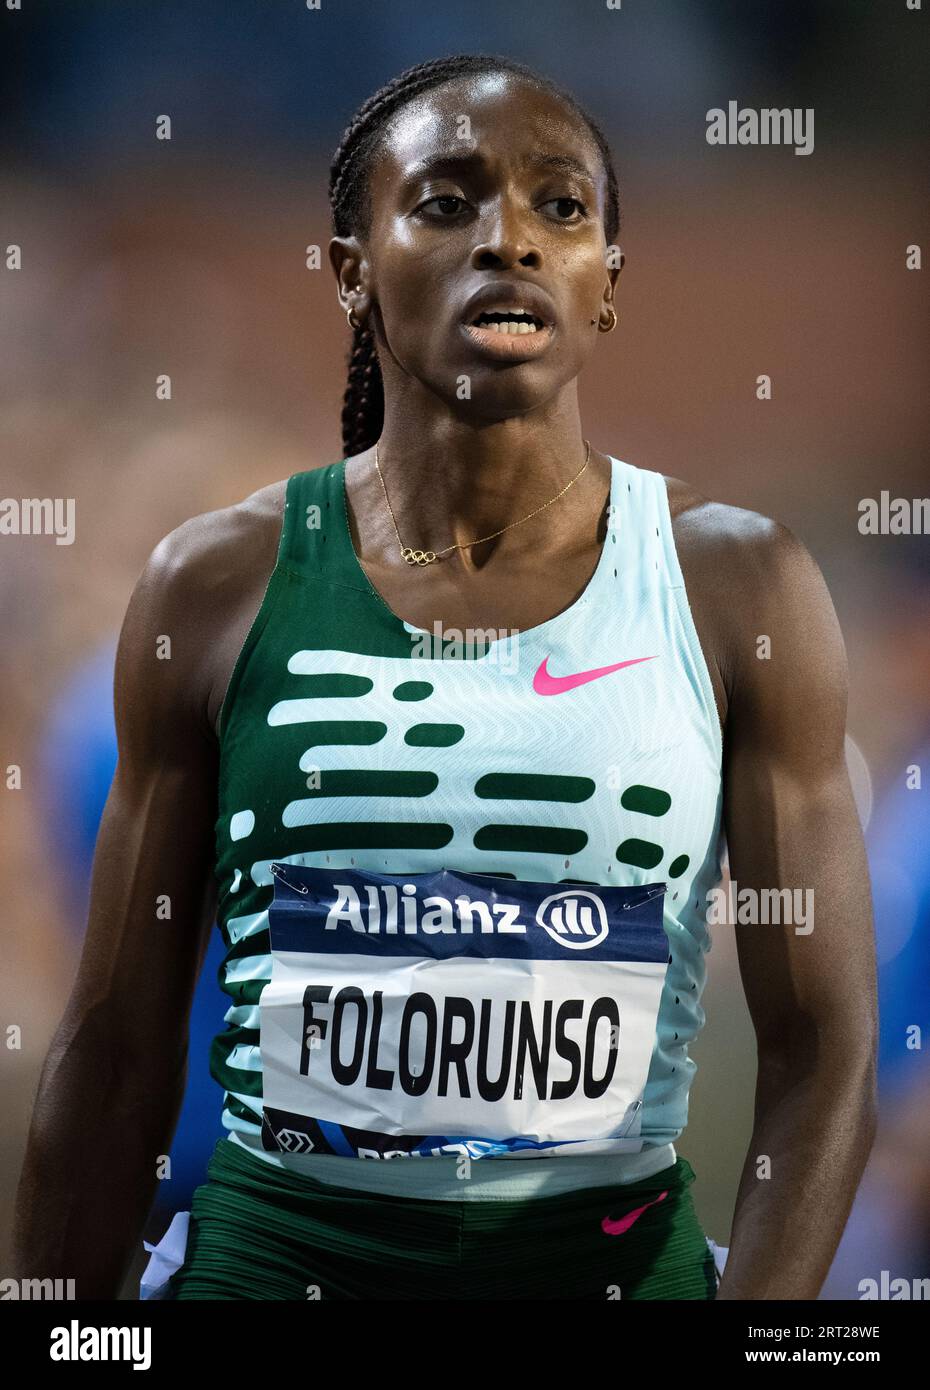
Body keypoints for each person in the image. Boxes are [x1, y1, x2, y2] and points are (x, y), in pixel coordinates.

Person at [12, 52, 877, 1301]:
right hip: (274, 1268)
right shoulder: (214, 585)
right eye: (446, 201)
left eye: (561, 208)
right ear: (351, 267)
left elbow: (827, 1047)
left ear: (608, 284)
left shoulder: (740, 585)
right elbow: (113, 1046)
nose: (510, 240)